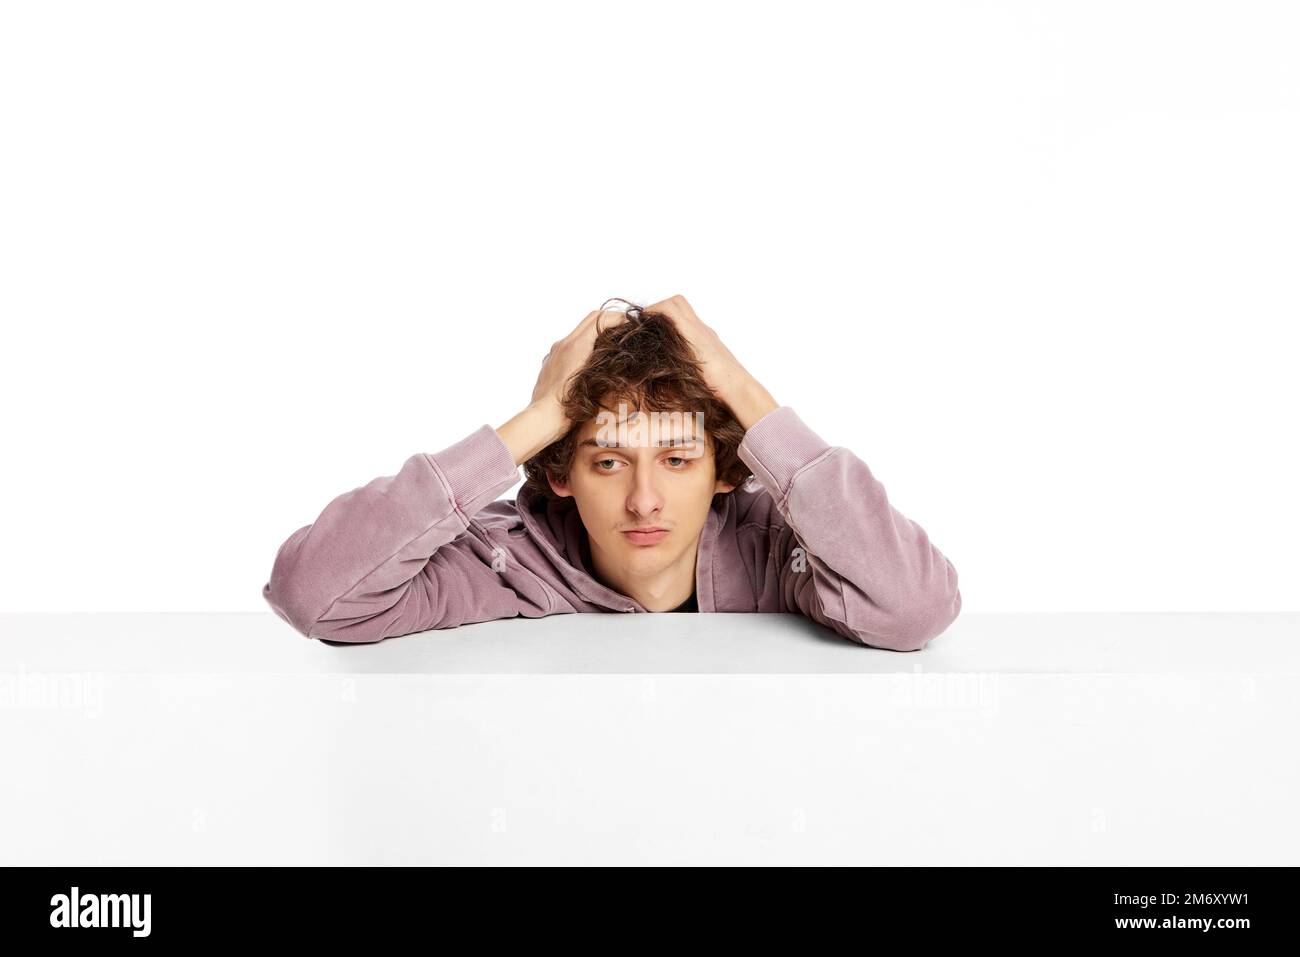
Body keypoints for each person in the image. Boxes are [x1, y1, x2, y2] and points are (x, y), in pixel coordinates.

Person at [262, 295, 961, 650]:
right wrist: (536, 421)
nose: (644, 499)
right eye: (607, 462)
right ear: (562, 474)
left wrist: (744, 392)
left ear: (726, 469)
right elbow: (313, 595)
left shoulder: (781, 548)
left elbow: (917, 608)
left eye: (679, 459)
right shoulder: (512, 558)